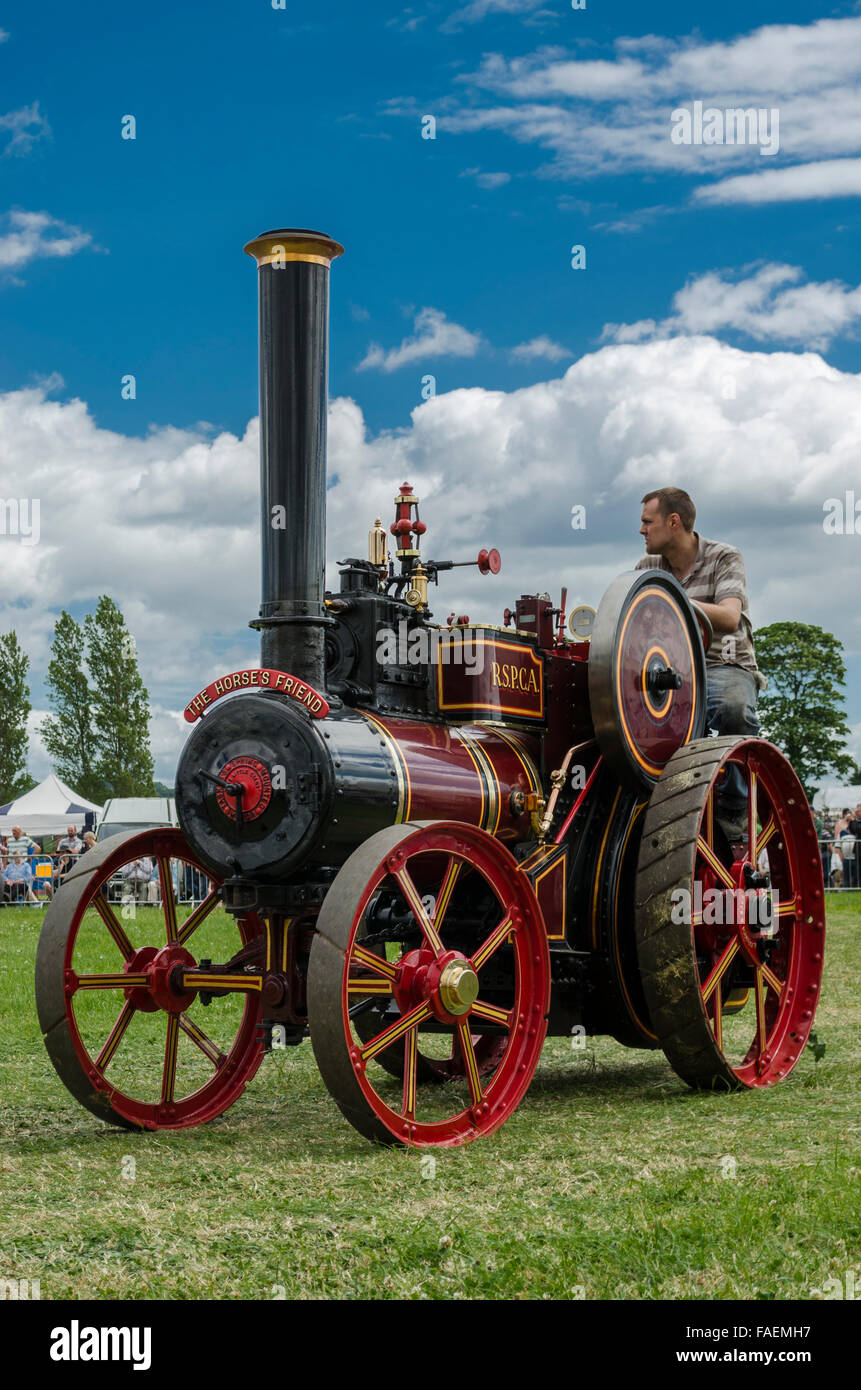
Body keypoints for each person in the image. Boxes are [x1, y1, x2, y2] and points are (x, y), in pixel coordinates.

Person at [636, 487, 765, 844]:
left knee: (733, 708)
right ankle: (647, 802)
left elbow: (728, 616)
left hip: (724, 664)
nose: (641, 530)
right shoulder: (647, 567)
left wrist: (671, 599)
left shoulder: (724, 556)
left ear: (673, 522)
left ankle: (735, 803)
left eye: (648, 522)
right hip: (672, 671)